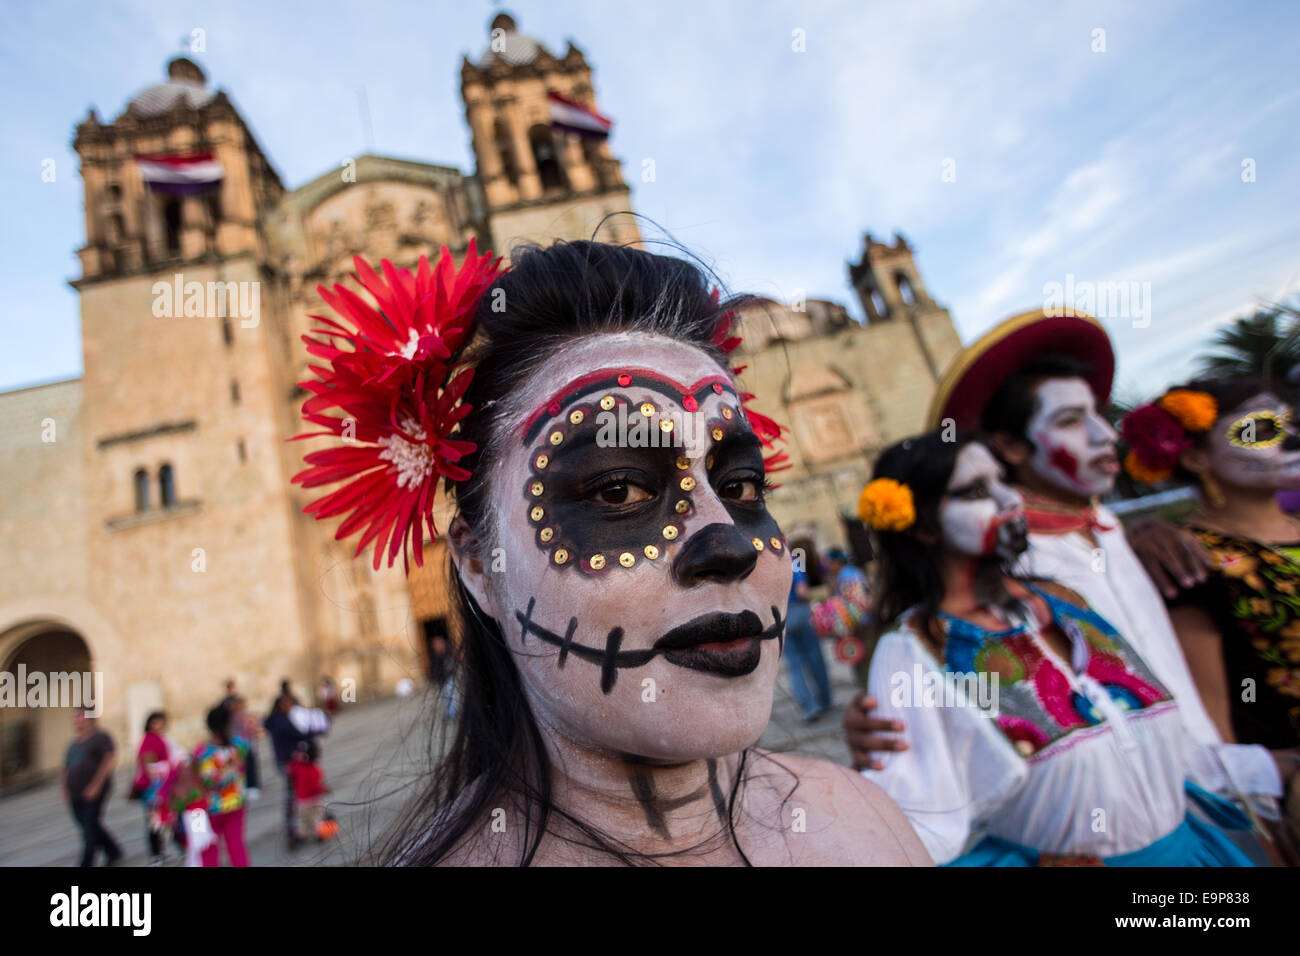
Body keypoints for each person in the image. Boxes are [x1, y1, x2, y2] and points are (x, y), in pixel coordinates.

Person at [294, 239, 929, 866]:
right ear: (480, 563)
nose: (730, 544)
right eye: (617, 488)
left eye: (739, 486)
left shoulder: (868, 823)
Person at [844, 310, 1281, 807]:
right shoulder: (995, 568)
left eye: (1098, 413)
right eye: (1071, 421)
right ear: (1009, 445)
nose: (1105, 434)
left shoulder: (1114, 531)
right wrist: (883, 717)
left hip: (1225, 791)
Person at [856, 430, 1283, 864]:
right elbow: (916, 824)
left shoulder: (1068, 601)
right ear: (925, 526)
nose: (1010, 500)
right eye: (977, 491)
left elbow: (1168, 751)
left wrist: (1278, 769)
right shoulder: (916, 650)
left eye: (1003, 480)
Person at [1121, 379, 1300, 776]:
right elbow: (1215, 719)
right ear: (1197, 459)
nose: (1288, 441)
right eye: (1259, 430)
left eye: (1289, 425)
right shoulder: (1189, 561)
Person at [193, 703, 250, 867]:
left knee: (208, 848)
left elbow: (205, 781)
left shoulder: (201, 751)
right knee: (236, 846)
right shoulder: (239, 745)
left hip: (208, 808)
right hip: (235, 802)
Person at [62, 712, 122, 867]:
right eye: (76, 718)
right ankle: (113, 851)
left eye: (82, 718)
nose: (79, 721)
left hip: (95, 791)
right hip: (75, 793)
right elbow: (65, 769)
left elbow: (108, 761)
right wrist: (64, 789)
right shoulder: (73, 745)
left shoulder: (100, 737)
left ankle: (86, 862)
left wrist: (96, 785)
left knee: (89, 826)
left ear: (91, 720)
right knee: (89, 825)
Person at [133, 711, 186, 865]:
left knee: (170, 819)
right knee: (157, 822)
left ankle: (176, 849)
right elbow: (149, 764)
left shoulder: (161, 739)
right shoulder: (150, 740)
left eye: (162, 721)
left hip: (163, 785)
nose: (160, 725)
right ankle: (157, 854)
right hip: (154, 788)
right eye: (156, 722)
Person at [783, 565, 834, 721]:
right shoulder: (792, 563)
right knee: (815, 658)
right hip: (800, 612)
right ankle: (825, 700)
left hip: (781, 617)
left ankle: (808, 707)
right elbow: (802, 592)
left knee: (794, 666)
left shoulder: (763, 566)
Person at [264, 692, 313, 851]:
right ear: (280, 706)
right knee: (295, 796)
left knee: (293, 795)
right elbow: (297, 734)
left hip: (284, 762)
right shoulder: (281, 721)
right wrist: (311, 732)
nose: (290, 707)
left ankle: (296, 829)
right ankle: (295, 831)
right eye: (287, 704)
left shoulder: (275, 720)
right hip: (290, 763)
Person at [288, 739, 330, 842]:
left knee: (303, 819)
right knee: (317, 817)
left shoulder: (298, 767)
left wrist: (295, 759)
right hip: (314, 799)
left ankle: (302, 835)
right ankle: (319, 833)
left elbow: (291, 770)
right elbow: (315, 786)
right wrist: (324, 789)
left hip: (301, 800)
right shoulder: (314, 770)